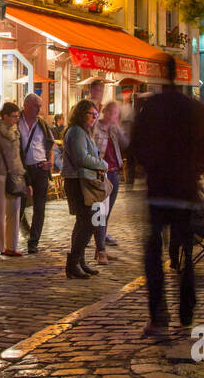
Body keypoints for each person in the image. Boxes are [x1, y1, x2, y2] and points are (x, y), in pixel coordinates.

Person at [130, 59, 204, 336]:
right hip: (185, 190)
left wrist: (151, 168)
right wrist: (192, 171)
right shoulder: (194, 109)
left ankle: (159, 315)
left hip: (159, 191)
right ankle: (187, 312)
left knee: (154, 254)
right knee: (187, 254)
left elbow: (136, 147)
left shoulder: (150, 108)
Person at [61, 99, 107, 279]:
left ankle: (79, 261)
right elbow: (82, 158)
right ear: (81, 114)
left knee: (83, 222)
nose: (94, 118)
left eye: (96, 115)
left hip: (83, 181)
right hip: (77, 182)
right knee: (87, 223)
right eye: (91, 114)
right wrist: (102, 164)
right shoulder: (76, 132)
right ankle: (72, 263)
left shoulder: (83, 131)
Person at [0, 101, 29, 260]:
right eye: (14, 116)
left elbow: (21, 156)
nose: (17, 119)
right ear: (4, 116)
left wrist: (27, 180)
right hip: (0, 174)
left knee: (14, 212)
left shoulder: (17, 132)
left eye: (18, 116)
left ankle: (11, 246)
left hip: (16, 175)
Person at [16, 93, 55, 254]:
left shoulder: (42, 125)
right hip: (23, 169)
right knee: (20, 205)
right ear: (26, 106)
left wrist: (50, 162)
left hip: (40, 169)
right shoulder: (17, 123)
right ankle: (23, 230)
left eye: (40, 106)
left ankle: (33, 241)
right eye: (36, 106)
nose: (39, 109)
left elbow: (51, 144)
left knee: (40, 207)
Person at [91, 100, 128, 264]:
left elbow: (126, 144)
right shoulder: (95, 128)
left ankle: (100, 249)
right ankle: (101, 251)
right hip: (101, 174)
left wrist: (118, 127)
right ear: (105, 112)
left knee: (107, 214)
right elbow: (92, 150)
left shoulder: (114, 130)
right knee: (99, 213)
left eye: (117, 114)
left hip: (114, 174)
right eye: (113, 113)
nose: (115, 116)